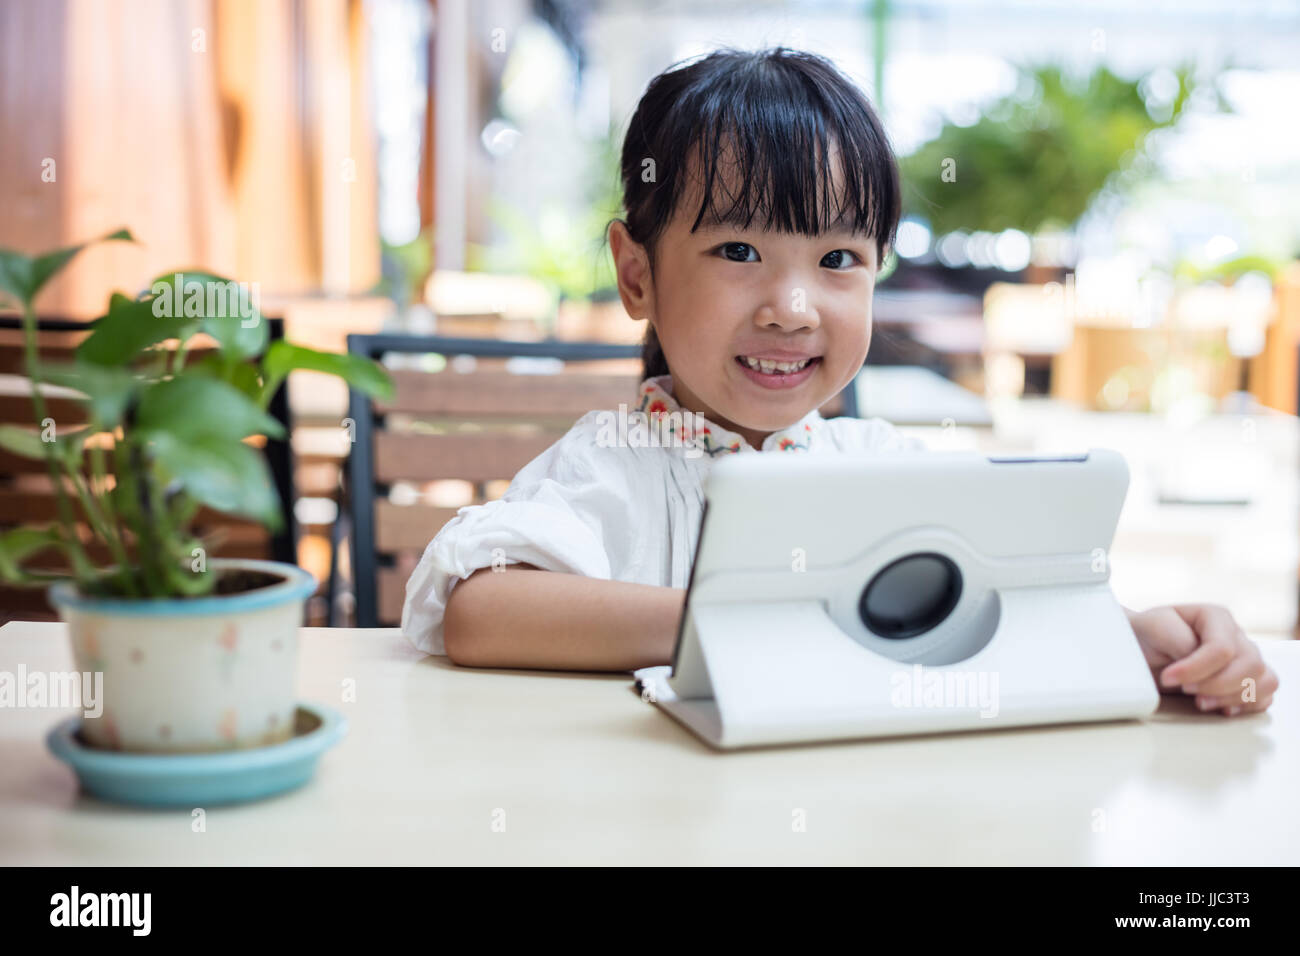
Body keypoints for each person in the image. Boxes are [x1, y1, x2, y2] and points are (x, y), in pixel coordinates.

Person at [402, 47, 1278, 718]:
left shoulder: (887, 469)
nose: (792, 306)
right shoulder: (611, 467)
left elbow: (1002, 607)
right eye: (739, 251)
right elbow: (481, 612)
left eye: (837, 260)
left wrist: (1141, 639)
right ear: (637, 275)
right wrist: (762, 617)